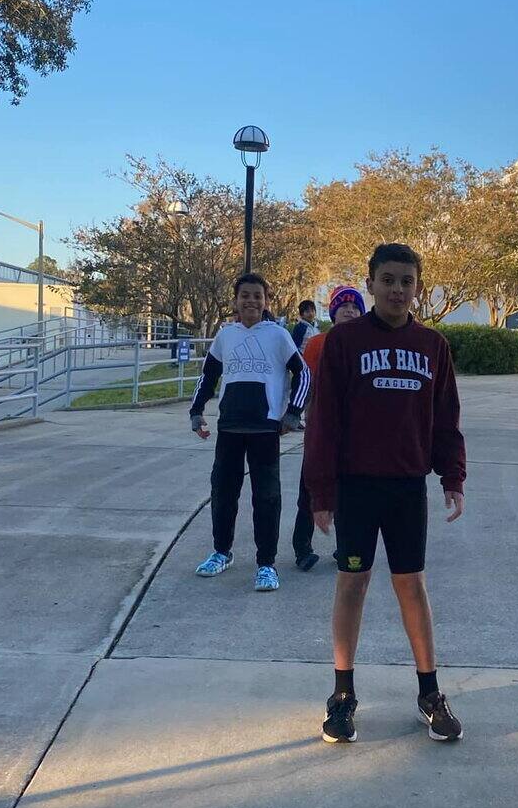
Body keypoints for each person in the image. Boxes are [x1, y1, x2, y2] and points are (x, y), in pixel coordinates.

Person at [303, 243, 466, 745]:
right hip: (356, 486)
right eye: (388, 280)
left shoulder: (433, 344)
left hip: (405, 487)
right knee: (352, 583)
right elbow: (323, 421)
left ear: (419, 286)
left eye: (407, 281)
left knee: (411, 585)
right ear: (370, 283)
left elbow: (445, 417)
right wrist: (321, 491)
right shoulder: (344, 342)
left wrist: (452, 477)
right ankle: (343, 696)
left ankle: (429, 693)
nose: (398, 289)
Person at [189, 272, 311, 592]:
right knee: (223, 492)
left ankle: (266, 564)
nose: (251, 301)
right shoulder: (225, 335)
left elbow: (304, 374)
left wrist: (293, 414)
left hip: (265, 428)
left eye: (258, 295)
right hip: (229, 426)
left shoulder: (278, 335)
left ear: (266, 301)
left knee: (267, 497)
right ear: (235, 301)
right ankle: (221, 552)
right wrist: (196, 411)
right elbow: (209, 375)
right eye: (245, 295)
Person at [291, 285, 365, 571]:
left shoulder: (364, 344)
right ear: (333, 312)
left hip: (354, 435)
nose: (349, 310)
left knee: (350, 496)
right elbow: (305, 383)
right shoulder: (317, 344)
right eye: (343, 305)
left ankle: (345, 548)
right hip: (320, 432)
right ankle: (302, 548)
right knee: (309, 491)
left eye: (355, 306)